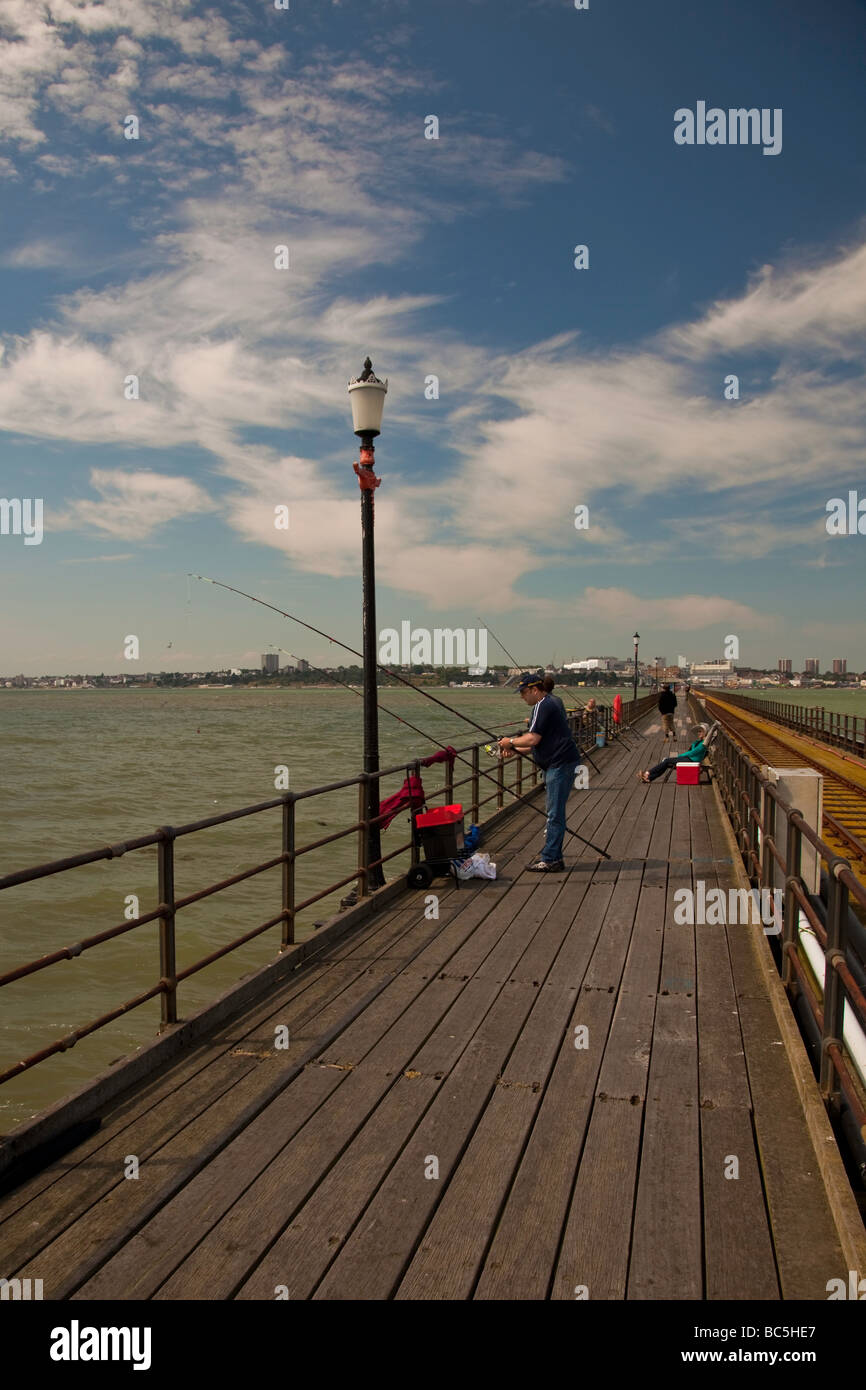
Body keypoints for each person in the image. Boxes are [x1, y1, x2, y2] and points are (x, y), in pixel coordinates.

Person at [499, 672, 581, 871]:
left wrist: (508, 742)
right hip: (563, 762)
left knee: (554, 815)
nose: (522, 696)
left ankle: (551, 859)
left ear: (535, 690)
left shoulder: (542, 705)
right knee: (555, 813)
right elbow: (540, 742)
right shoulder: (555, 701)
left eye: (524, 692)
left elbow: (533, 739)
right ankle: (554, 857)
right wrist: (516, 750)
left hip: (559, 764)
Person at [638, 726, 708, 782]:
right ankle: (649, 778)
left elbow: (693, 752)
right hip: (689, 758)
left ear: (705, 733)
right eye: (698, 731)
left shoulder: (703, 744)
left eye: (700, 732)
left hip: (691, 760)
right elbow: (692, 749)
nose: (698, 733)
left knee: (667, 760)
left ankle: (647, 773)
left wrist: (680, 756)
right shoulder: (700, 741)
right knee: (666, 763)